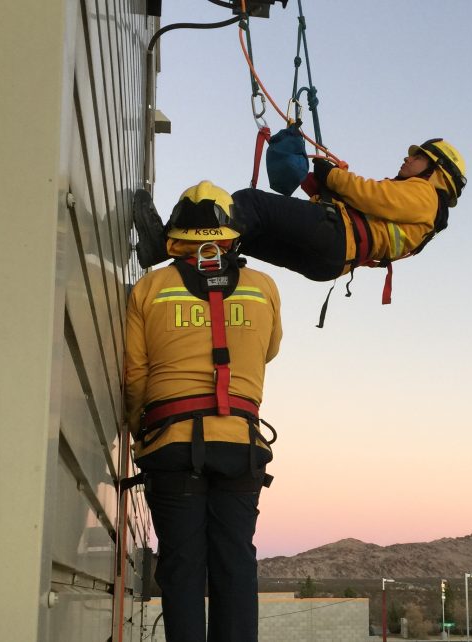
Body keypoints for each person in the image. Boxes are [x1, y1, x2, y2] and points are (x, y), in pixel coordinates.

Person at [123, 180, 282, 642]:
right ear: (231, 233)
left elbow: (135, 374)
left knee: (182, 565)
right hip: (240, 445)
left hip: (171, 445)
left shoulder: (150, 287)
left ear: (176, 233)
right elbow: (269, 350)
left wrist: (139, 430)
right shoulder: (263, 287)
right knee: (236, 563)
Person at [231, 138, 467, 283]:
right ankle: (214, 267)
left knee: (250, 203)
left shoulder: (426, 194)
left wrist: (332, 175)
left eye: (418, 157)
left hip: (336, 235)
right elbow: (370, 216)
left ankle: (208, 246)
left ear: (437, 171)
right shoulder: (425, 215)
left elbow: (372, 195)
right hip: (333, 262)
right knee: (248, 238)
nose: (408, 158)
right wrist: (324, 189)